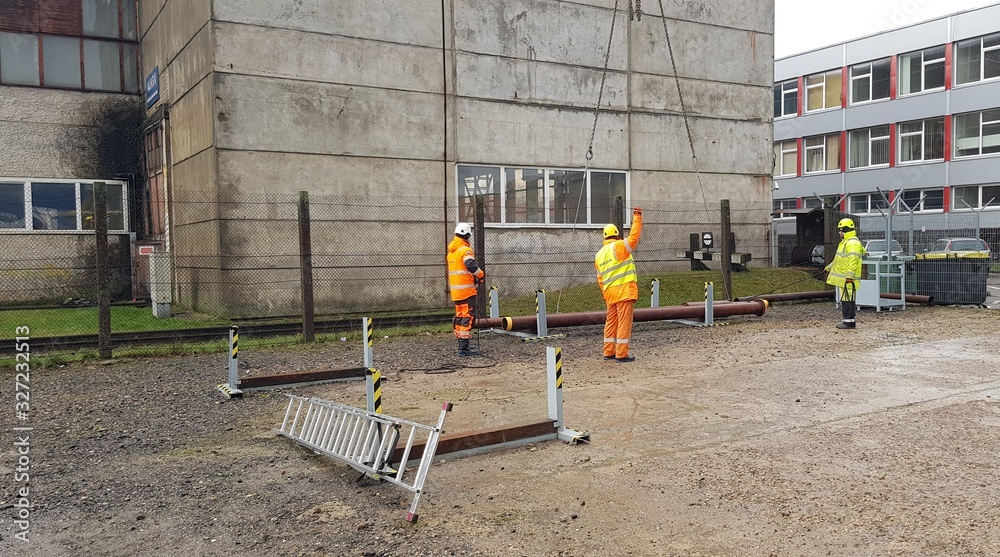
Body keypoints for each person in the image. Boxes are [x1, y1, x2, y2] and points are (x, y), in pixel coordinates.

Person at [595, 207, 643, 362]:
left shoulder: (599, 255)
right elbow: (634, 238)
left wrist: (605, 294)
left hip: (610, 294)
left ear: (604, 236)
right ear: (617, 234)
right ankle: (621, 354)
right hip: (623, 291)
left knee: (611, 322)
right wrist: (637, 218)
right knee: (624, 322)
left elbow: (600, 279)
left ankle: (608, 351)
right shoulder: (619, 247)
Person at [447, 222, 485, 356]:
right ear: (467, 235)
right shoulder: (465, 250)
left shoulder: (452, 252)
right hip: (466, 292)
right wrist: (480, 275)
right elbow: (470, 265)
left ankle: (461, 346)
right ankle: (464, 349)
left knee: (460, 317)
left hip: (456, 292)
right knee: (467, 317)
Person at [825, 217, 866, 329]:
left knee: (848, 299)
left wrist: (849, 276)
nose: (839, 232)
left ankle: (849, 322)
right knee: (846, 299)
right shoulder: (846, 242)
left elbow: (853, 260)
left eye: (841, 230)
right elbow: (839, 259)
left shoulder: (852, 243)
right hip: (846, 278)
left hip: (848, 279)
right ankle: (847, 321)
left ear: (846, 230)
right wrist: (829, 267)